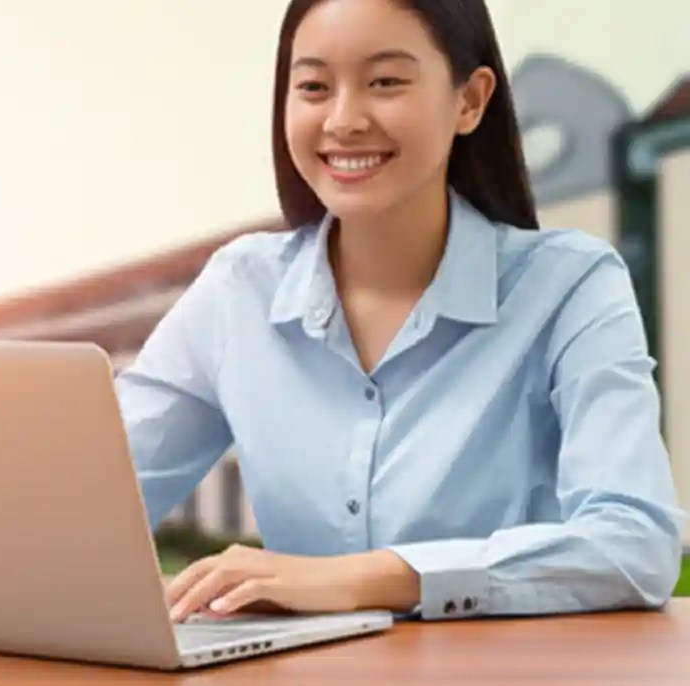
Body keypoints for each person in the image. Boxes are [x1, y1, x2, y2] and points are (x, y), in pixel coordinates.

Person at [118, 0, 687, 623]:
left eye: (385, 81)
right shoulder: (238, 291)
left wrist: (373, 578)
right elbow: (93, 497)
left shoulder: (570, 285)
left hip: (508, 677)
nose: (343, 120)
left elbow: (634, 545)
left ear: (470, 101)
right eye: (313, 87)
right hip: (293, 679)